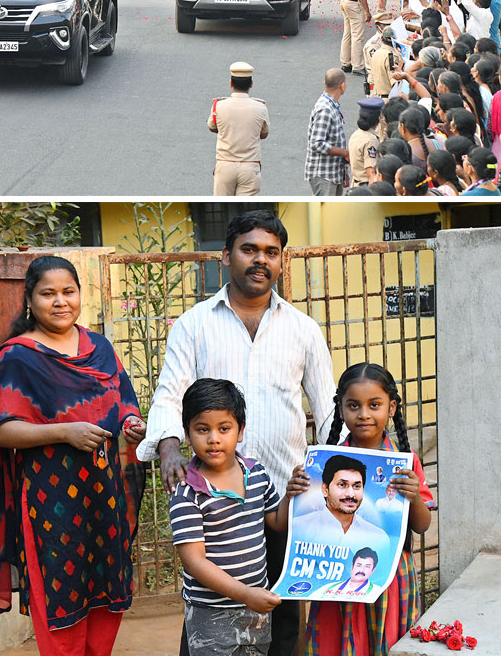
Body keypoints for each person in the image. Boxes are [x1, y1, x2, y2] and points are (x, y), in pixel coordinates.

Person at [136, 210, 335, 656]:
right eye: (249, 249)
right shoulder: (195, 323)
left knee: (282, 625)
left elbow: (328, 414)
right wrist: (170, 447)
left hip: (283, 501)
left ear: (283, 261)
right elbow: (171, 394)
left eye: (271, 252)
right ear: (226, 256)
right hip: (218, 514)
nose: (260, 260)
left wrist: (357, 472)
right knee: (210, 624)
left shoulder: (303, 329)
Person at [0, 255, 147, 656]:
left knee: (107, 595)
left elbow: (124, 402)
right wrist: (63, 433)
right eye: (48, 293)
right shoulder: (17, 357)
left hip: (105, 497)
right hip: (49, 503)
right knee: (60, 598)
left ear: (79, 295)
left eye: (68, 291)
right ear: (30, 300)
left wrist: (132, 424)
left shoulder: (100, 348)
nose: (60, 301)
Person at [300, 363, 434, 654]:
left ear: (392, 407)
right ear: (341, 409)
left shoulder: (404, 461)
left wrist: (414, 497)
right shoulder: (324, 463)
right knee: (337, 644)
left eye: (374, 405)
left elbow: (422, 526)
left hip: (390, 577)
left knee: (386, 643)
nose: (363, 414)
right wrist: (299, 490)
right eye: (353, 405)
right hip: (335, 576)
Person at [169, 379, 304, 656]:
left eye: (224, 428)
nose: (214, 438)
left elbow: (276, 522)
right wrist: (245, 594)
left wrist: (290, 496)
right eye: (202, 429)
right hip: (211, 615)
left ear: (240, 431)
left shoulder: (255, 473)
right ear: (187, 433)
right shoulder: (187, 492)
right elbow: (194, 561)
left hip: (256, 611)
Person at [289, 455, 391, 558]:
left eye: (356, 486)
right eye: (342, 485)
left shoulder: (378, 538)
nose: (351, 494)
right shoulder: (299, 528)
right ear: (325, 489)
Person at [209, 61, 269, 195]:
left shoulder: (218, 106)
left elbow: (212, 127)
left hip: (225, 165)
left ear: (231, 83)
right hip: (250, 166)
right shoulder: (261, 108)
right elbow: (264, 133)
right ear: (251, 84)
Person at [305, 69, 351, 196]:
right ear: (342, 86)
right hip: (324, 174)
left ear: (324, 83)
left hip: (333, 172)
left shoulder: (331, 104)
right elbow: (317, 144)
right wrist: (344, 153)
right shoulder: (325, 109)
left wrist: (343, 171)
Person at [315, 549, 383, 599]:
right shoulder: (328, 587)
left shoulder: (376, 592)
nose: (361, 570)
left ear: (373, 570)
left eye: (367, 567)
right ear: (352, 567)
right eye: (359, 565)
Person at [348, 97, 384, 187]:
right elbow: (371, 172)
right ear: (379, 118)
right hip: (366, 187)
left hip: (356, 184)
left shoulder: (356, 134)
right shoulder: (371, 140)